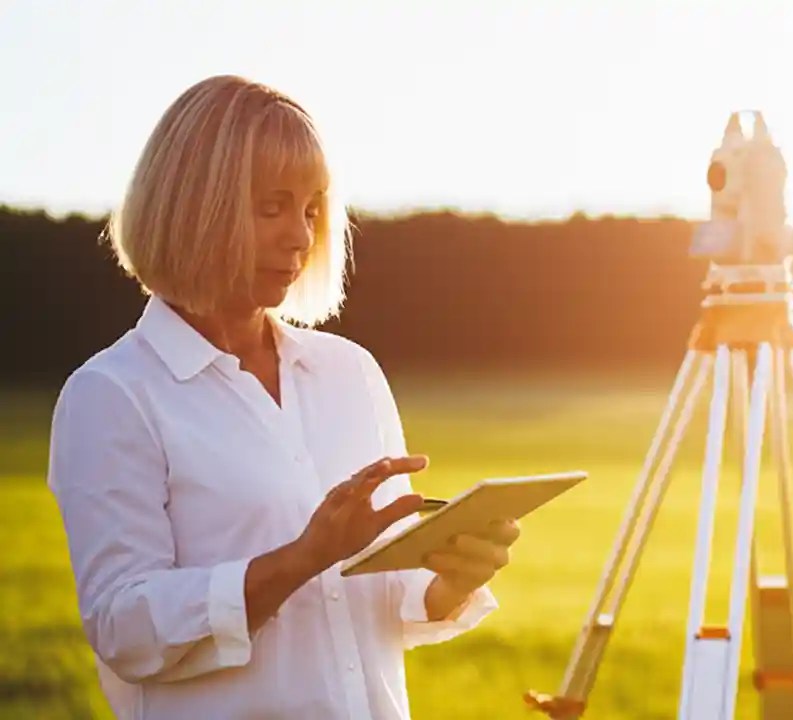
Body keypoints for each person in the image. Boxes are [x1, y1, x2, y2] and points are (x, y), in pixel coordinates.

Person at [45, 74, 519, 719]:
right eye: (271, 207)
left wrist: (449, 580)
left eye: (311, 209)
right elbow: (125, 628)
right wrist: (304, 557)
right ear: (190, 205)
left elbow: (383, 597)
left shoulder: (350, 372)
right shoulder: (112, 395)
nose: (299, 235)